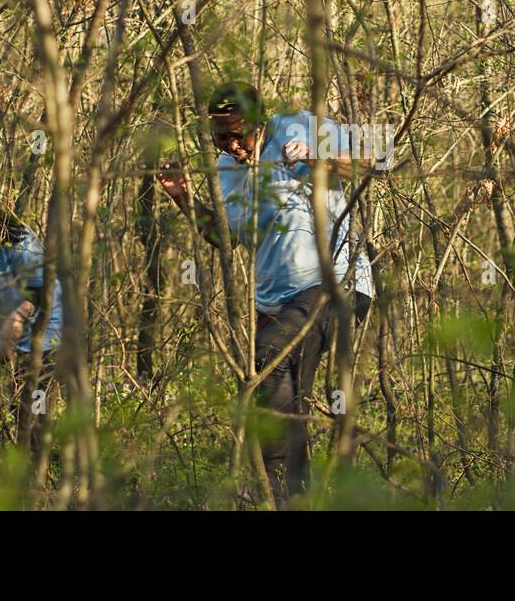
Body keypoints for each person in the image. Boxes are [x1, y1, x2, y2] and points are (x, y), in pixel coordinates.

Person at [158, 81, 375, 506]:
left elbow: (378, 159)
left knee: (270, 355)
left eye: (240, 133)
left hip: (335, 284)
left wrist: (321, 161)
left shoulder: (298, 128)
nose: (233, 145)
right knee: (274, 401)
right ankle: (291, 498)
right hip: (277, 301)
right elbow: (225, 238)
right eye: (221, 137)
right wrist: (183, 197)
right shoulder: (227, 168)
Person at [0, 210, 62, 440]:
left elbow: (40, 294)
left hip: (42, 338)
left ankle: (36, 456)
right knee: (16, 405)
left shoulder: (20, 245)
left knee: (34, 403)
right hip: (16, 336)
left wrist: (15, 322)